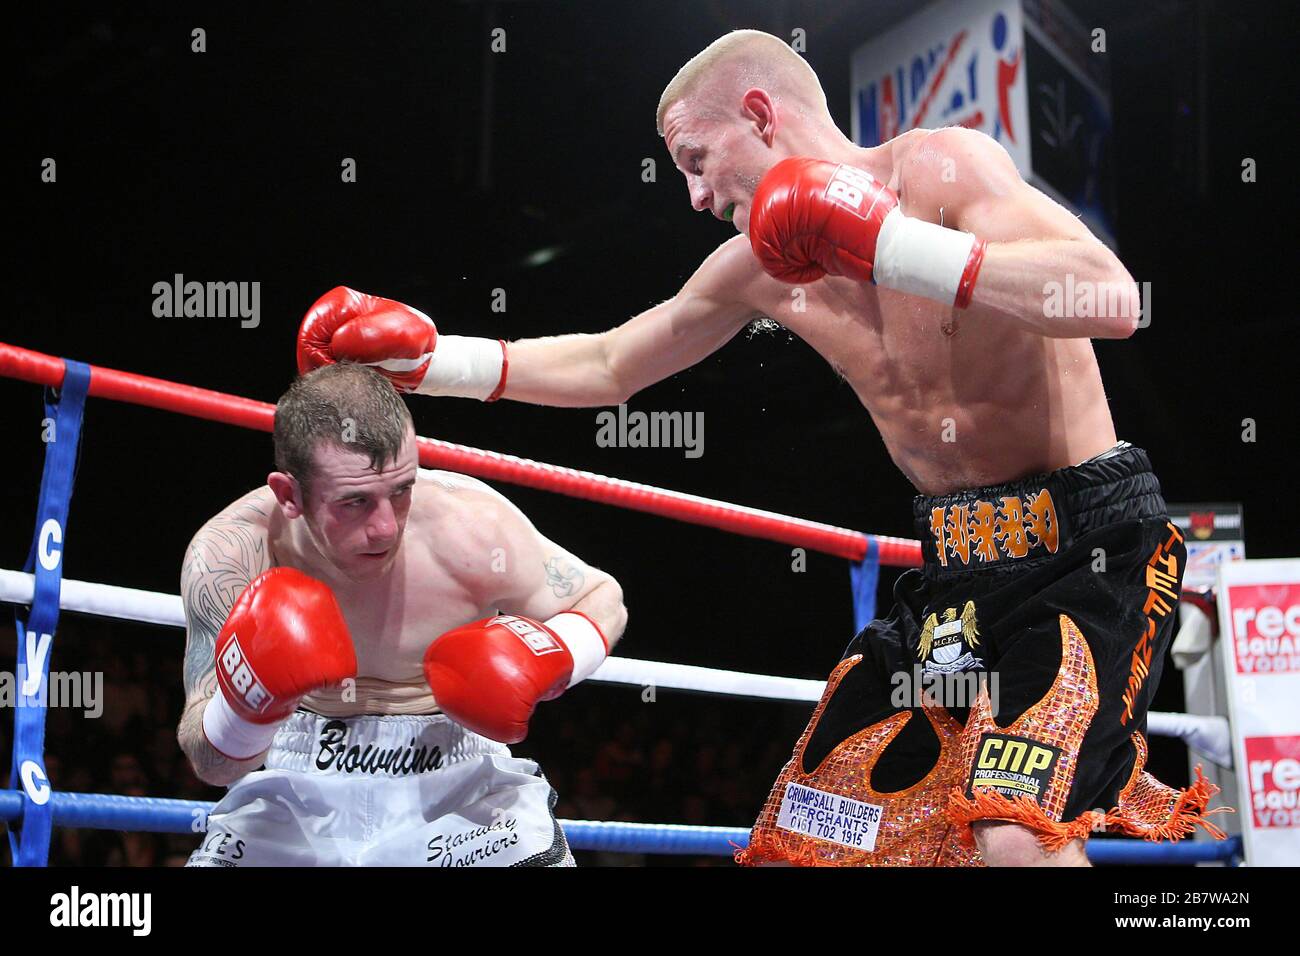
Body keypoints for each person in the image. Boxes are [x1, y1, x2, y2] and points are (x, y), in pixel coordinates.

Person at [295, 30, 1224, 866]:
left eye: (697, 161)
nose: (695, 196)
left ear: (759, 114)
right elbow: (611, 363)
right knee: (814, 834)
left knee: (1015, 833)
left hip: (1086, 554)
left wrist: (889, 246)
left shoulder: (940, 171)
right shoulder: (759, 271)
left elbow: (1111, 297)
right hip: (956, 572)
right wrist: (432, 360)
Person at [177, 362, 627, 866]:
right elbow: (211, 764)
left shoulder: (470, 525)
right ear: (290, 495)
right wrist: (245, 709)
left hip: (460, 779)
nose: (386, 527)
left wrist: (558, 651)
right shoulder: (232, 554)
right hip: (296, 781)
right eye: (354, 502)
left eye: (402, 489)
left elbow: (602, 597)